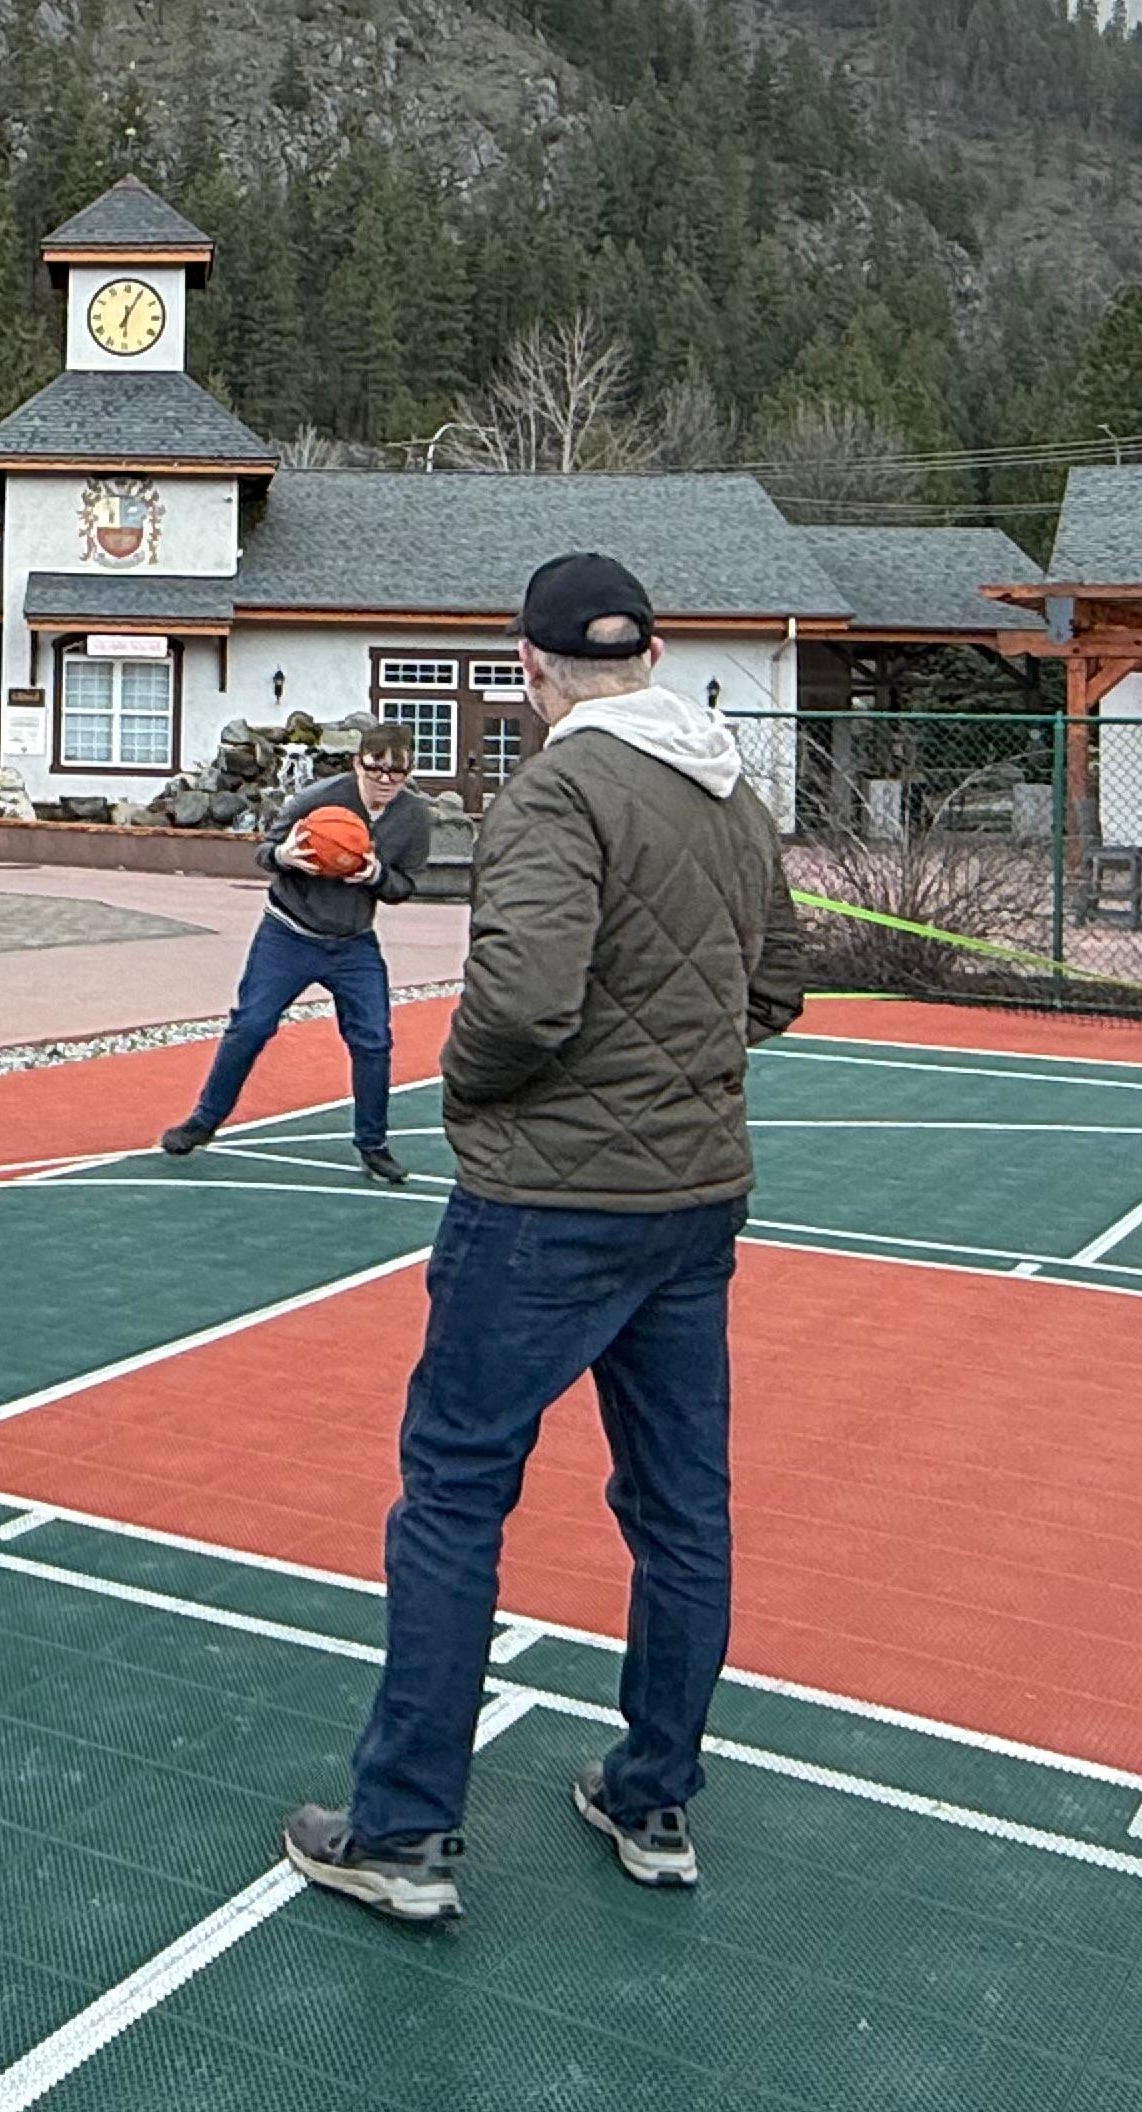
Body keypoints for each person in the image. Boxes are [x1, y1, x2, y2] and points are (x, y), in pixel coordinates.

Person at [282, 552, 804, 1923]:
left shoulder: (557, 790)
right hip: (694, 1200)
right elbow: (781, 985)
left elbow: (518, 1009)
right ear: (653, 654)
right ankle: (653, 1797)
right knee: (682, 1508)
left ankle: (398, 1828)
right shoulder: (732, 791)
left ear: (531, 667)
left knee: (455, 1493)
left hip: (547, 1204)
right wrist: (676, 1075)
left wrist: (470, 1097)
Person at [161, 721, 432, 1184]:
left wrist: (375, 877)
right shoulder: (319, 800)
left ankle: (374, 1145)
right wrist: (284, 857)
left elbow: (404, 884)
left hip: (352, 942)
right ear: (357, 763)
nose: (386, 780)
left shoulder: (415, 818)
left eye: (398, 772)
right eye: (377, 769)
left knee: (374, 1041)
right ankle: (204, 1121)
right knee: (250, 1025)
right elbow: (265, 851)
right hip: (288, 932)